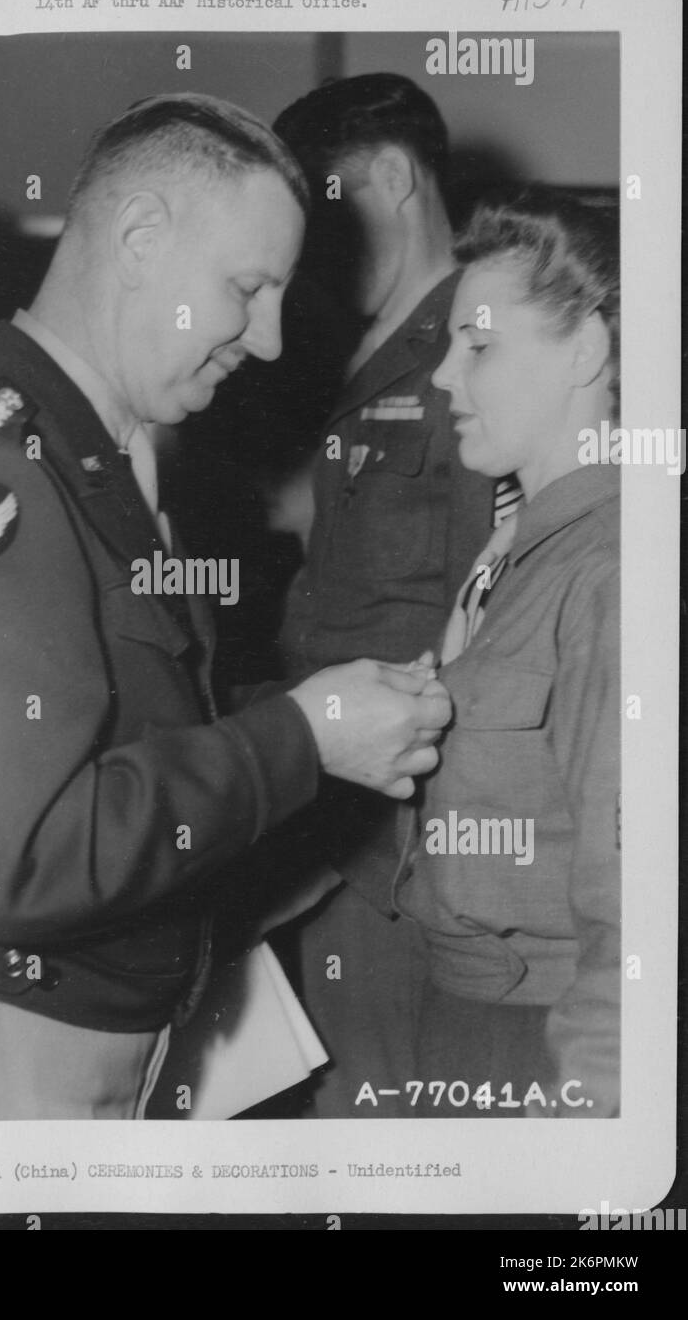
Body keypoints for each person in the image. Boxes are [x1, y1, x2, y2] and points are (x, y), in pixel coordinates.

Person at [0, 93, 451, 1124]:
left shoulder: (82, 451)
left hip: (28, 1045)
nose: (266, 340)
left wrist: (316, 712)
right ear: (139, 237)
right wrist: (303, 739)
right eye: (248, 288)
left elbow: (133, 731)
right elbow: (32, 859)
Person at [267, 75, 508, 1117]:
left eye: (323, 205)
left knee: (388, 1125)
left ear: (398, 178)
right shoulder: (354, 357)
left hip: (411, 840)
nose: (304, 247)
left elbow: (488, 627)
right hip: (331, 817)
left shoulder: (482, 349)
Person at [394, 189, 620, 1117]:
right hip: (467, 1013)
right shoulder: (513, 547)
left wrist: (587, 1111)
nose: (443, 376)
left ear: (584, 349)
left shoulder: (607, 568)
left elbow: (634, 899)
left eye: (477, 346)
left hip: (541, 1041)